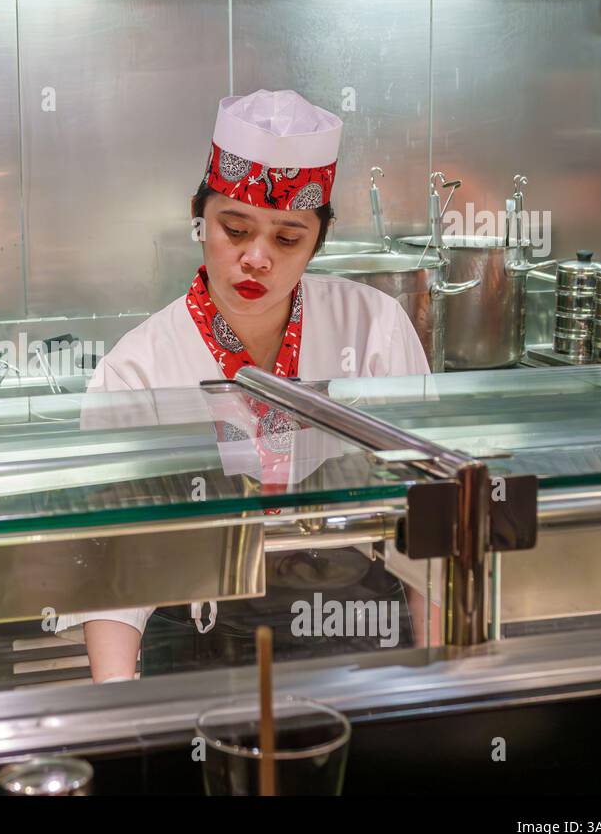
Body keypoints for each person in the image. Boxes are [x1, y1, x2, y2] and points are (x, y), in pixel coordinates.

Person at [57, 88, 431, 682]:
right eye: (235, 228)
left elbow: (424, 522)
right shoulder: (138, 368)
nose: (257, 258)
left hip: (355, 632)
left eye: (287, 239)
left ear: (318, 241)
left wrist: (442, 677)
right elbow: (115, 561)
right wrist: (118, 709)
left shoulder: (375, 326)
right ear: (198, 219)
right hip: (199, 642)